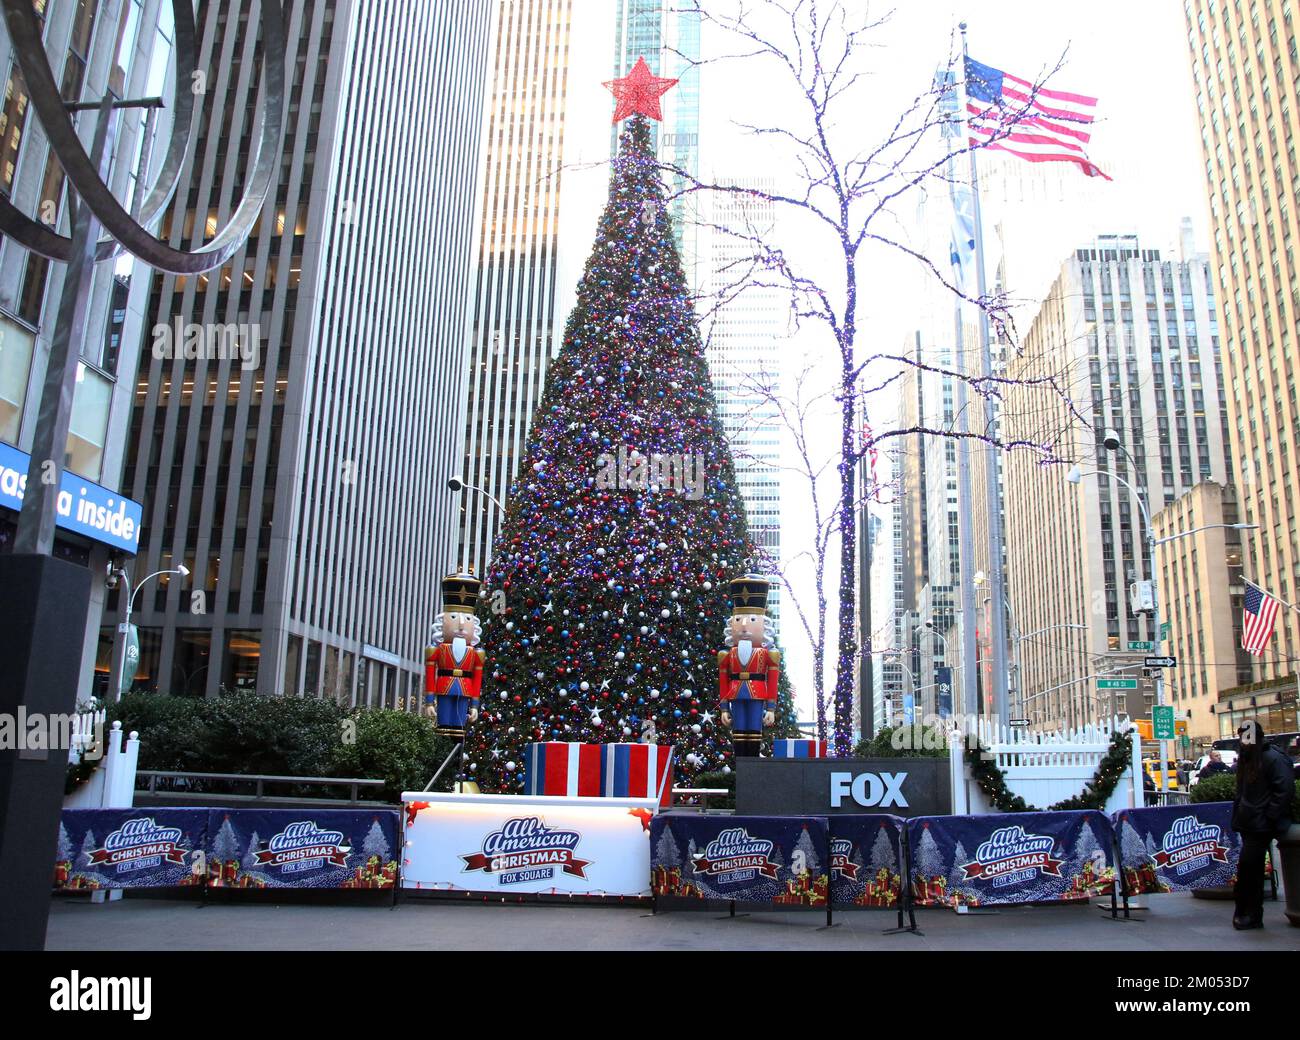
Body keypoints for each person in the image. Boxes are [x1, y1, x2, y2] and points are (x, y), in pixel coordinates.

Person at [1230, 719, 1295, 930]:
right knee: (1249, 870)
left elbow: (1283, 790)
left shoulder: (1269, 758)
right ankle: (1250, 913)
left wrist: (1269, 816)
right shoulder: (1253, 758)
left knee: (1249, 870)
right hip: (1254, 822)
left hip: (1260, 822)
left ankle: (1250, 914)